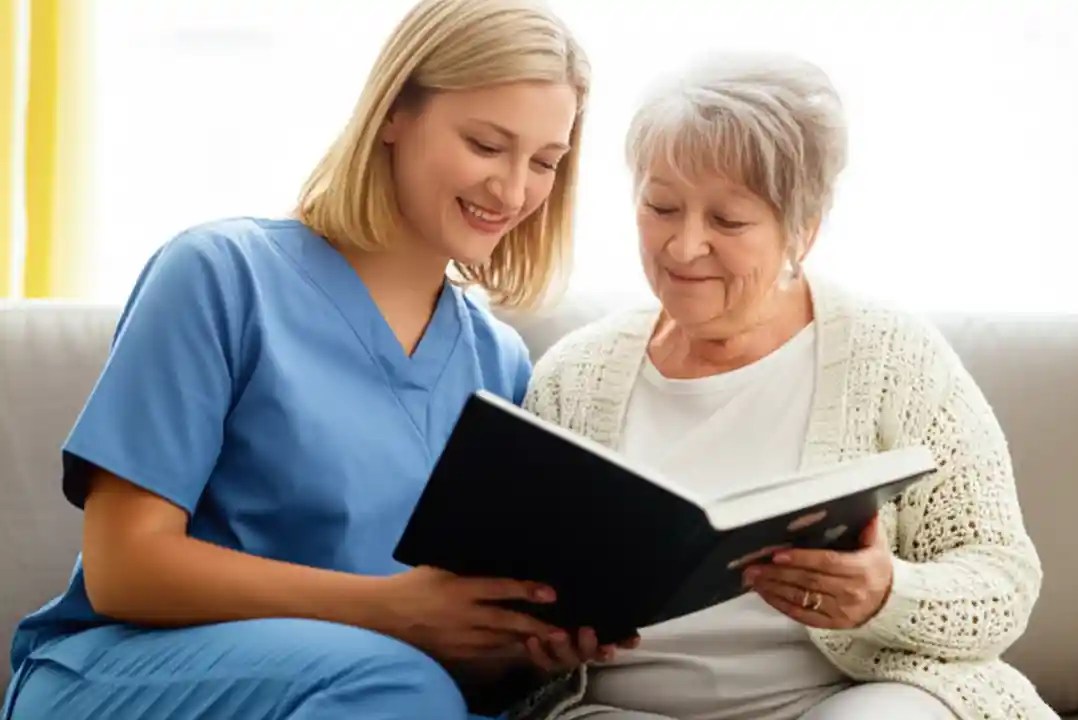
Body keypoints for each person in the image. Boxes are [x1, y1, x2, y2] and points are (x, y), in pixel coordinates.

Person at [1, 2, 623, 719]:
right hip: (128, 674)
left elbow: (444, 642)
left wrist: (517, 647)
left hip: (373, 689)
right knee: (395, 684)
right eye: (486, 145)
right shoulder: (221, 276)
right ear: (394, 114)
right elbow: (123, 569)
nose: (514, 191)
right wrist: (390, 611)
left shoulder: (498, 363)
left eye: (545, 163)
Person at [519, 54, 1058, 720]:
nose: (685, 247)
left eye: (728, 222)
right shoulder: (573, 379)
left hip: (846, 704)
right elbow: (511, 605)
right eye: (661, 207)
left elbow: (1003, 581)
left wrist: (888, 595)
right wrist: (535, 642)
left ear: (803, 230)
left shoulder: (892, 358)